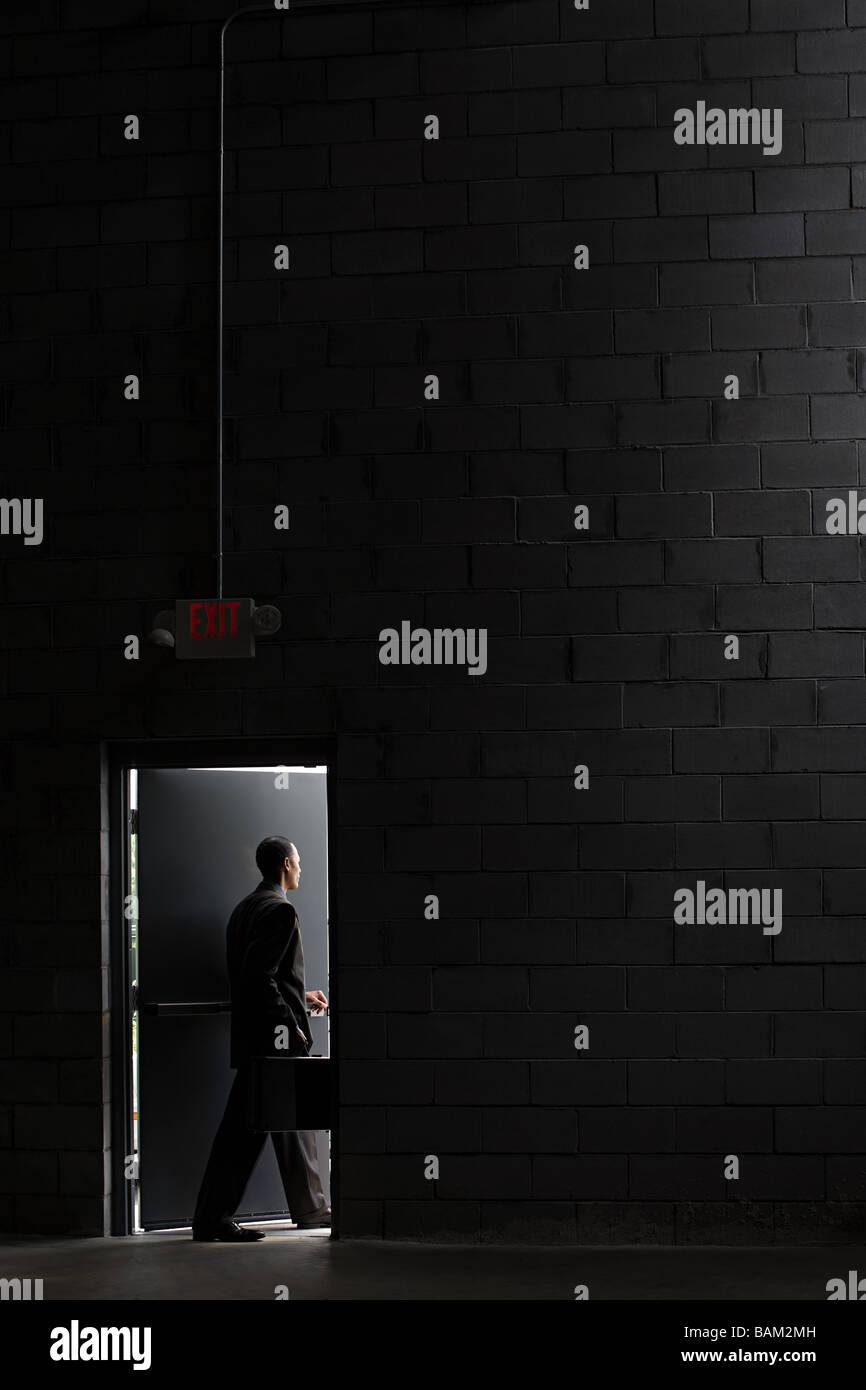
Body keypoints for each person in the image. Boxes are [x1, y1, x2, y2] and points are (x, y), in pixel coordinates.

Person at [191, 836, 331, 1240]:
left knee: (259, 1127)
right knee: (259, 1129)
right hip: (275, 1043)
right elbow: (259, 978)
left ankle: (304, 1209)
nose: (302, 869)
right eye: (299, 862)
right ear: (286, 864)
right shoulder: (281, 911)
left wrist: (299, 996)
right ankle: (219, 1219)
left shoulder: (244, 909)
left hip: (254, 1041)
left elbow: (257, 973)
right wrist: (294, 1026)